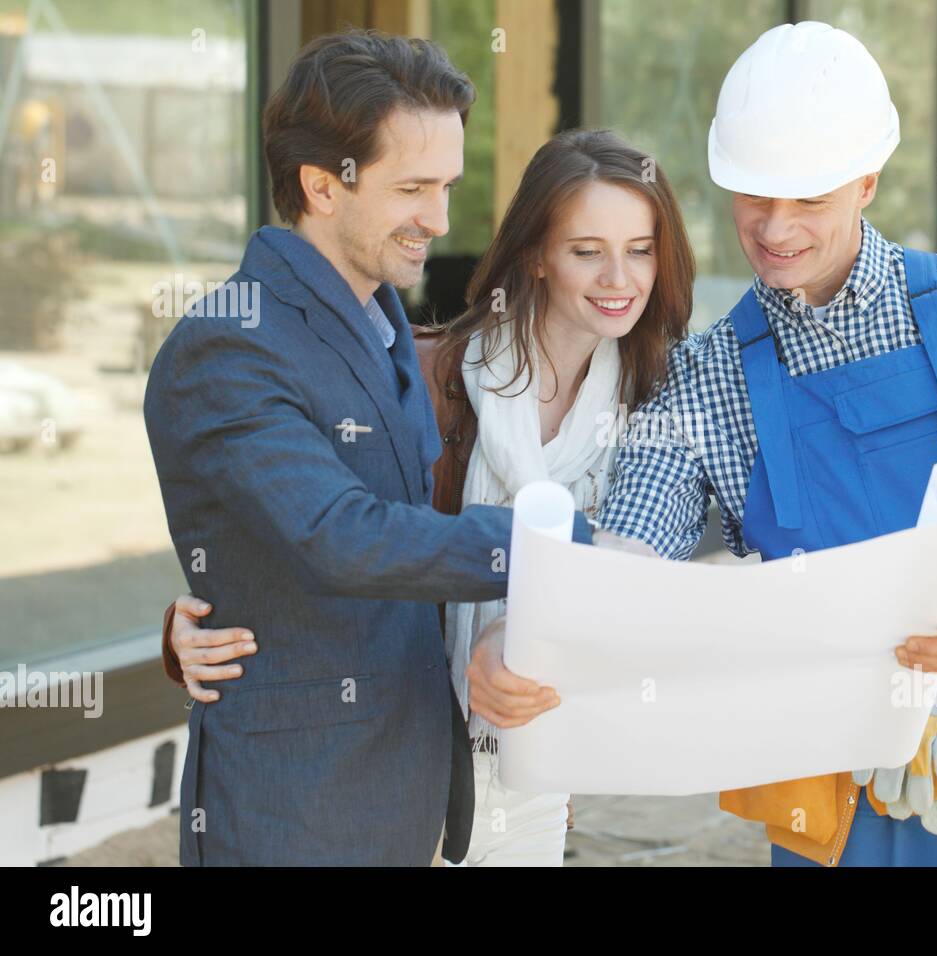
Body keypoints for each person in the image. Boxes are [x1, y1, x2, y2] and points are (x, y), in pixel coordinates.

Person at [592, 21, 937, 867]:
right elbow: (633, 542)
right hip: (835, 766)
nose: (774, 226)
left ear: (867, 182)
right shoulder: (707, 375)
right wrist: (550, 624)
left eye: (809, 199)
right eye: (755, 196)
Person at [143, 31, 639, 866]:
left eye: (445, 186)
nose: (440, 221)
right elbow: (335, 533)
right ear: (320, 187)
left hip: (413, 801)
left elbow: (407, 532)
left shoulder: (390, 332)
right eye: (413, 188)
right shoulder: (226, 343)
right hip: (296, 812)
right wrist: (555, 548)